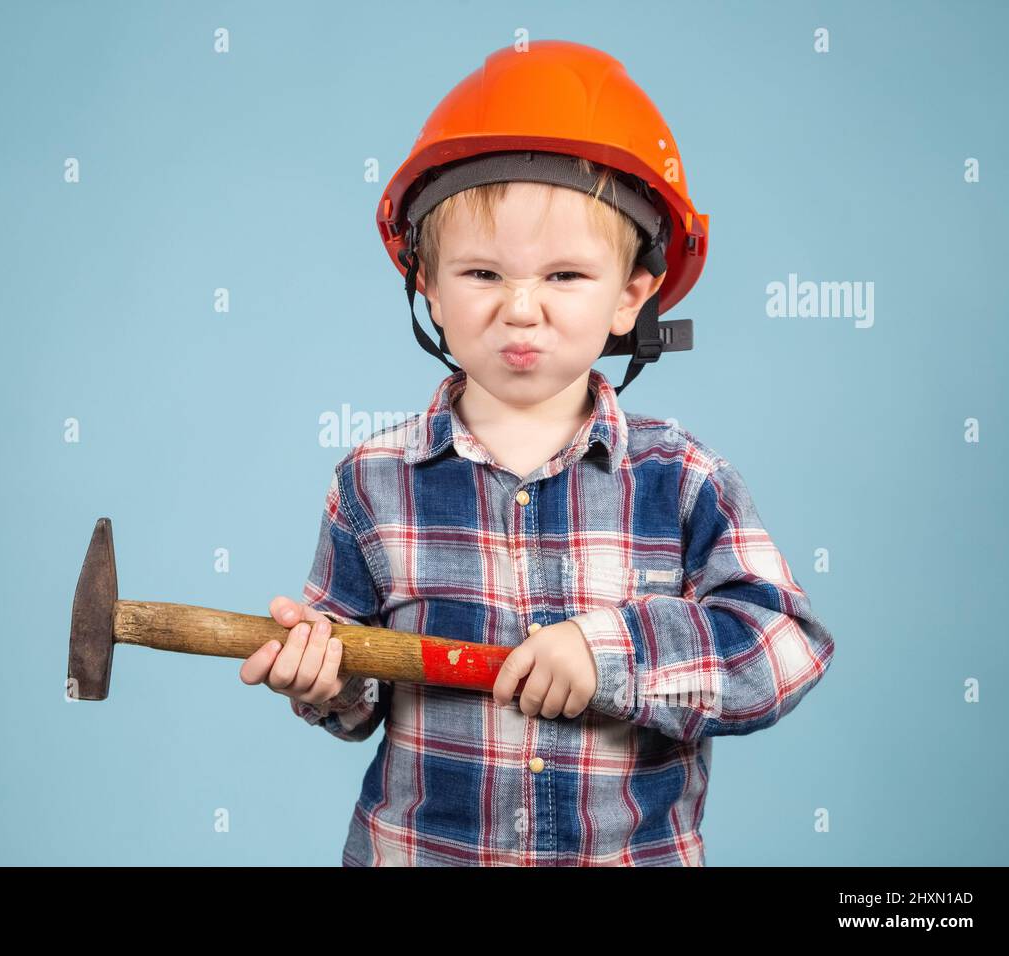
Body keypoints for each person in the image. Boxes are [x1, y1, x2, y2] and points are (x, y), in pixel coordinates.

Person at [240, 39, 835, 866]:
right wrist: (325, 679)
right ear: (429, 288)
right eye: (483, 273)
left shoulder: (682, 480)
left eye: (565, 276)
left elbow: (783, 648)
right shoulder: (373, 483)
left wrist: (611, 658)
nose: (522, 310)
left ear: (632, 294)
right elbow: (357, 691)